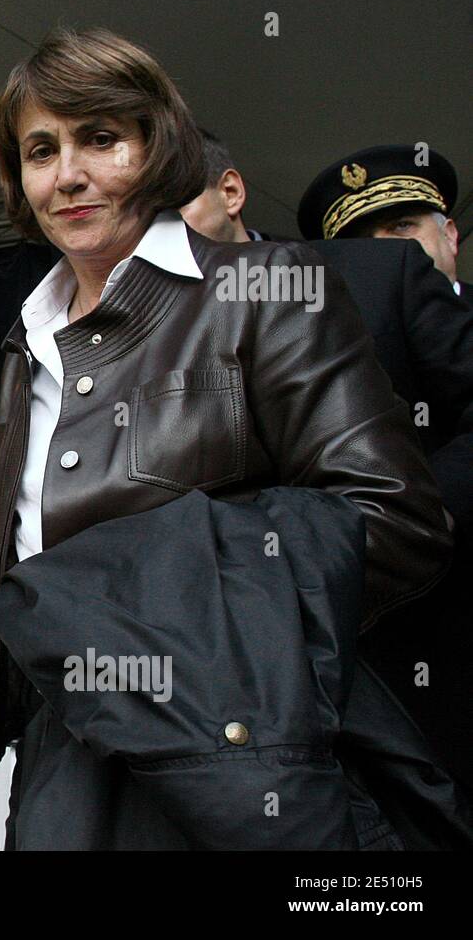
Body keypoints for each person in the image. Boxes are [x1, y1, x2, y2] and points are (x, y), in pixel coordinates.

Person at [0, 27, 451, 848]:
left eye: (101, 138)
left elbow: (395, 522)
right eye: (40, 149)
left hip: (245, 743)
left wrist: (170, 611)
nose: (69, 175)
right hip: (72, 753)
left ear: (158, 147)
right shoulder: (25, 344)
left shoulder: (266, 291)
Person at [183, 132, 473, 785]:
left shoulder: (373, 275)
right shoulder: (132, 331)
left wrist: (427, 508)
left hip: (415, 654)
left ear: (230, 192)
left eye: (174, 207)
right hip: (254, 701)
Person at [298, 144, 467, 296]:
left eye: (402, 226)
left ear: (449, 235)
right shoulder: (330, 330)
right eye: (361, 241)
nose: (383, 248)